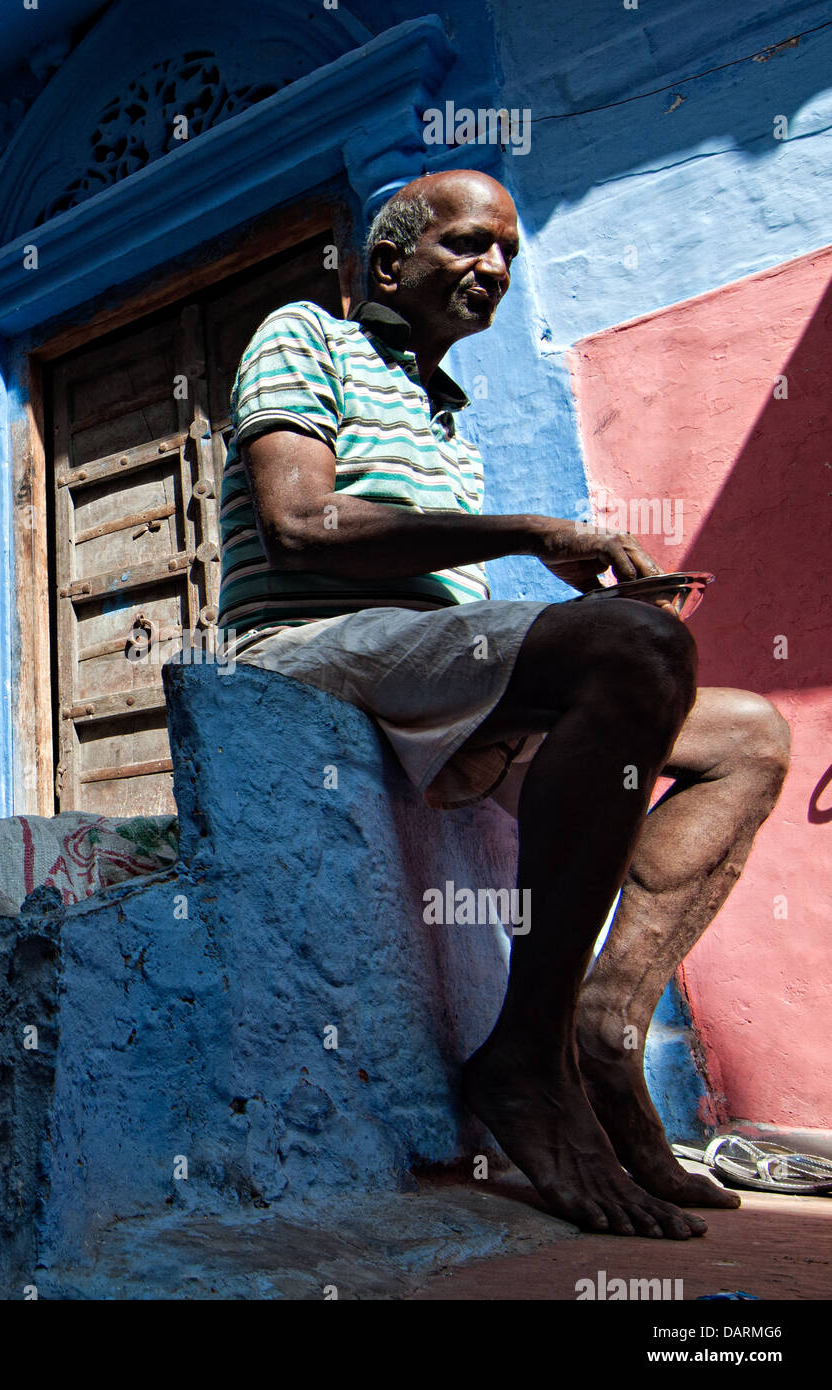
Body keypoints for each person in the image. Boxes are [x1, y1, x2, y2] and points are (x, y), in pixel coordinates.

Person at [216, 169, 791, 1239]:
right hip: (307, 651)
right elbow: (299, 524)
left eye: (509, 255)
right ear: (389, 264)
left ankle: (603, 1031)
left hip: (428, 676)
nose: (495, 269)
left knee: (747, 736)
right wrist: (533, 536)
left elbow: (450, 613)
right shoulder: (303, 334)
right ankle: (522, 1056)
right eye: (471, 245)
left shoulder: (448, 417)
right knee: (634, 646)